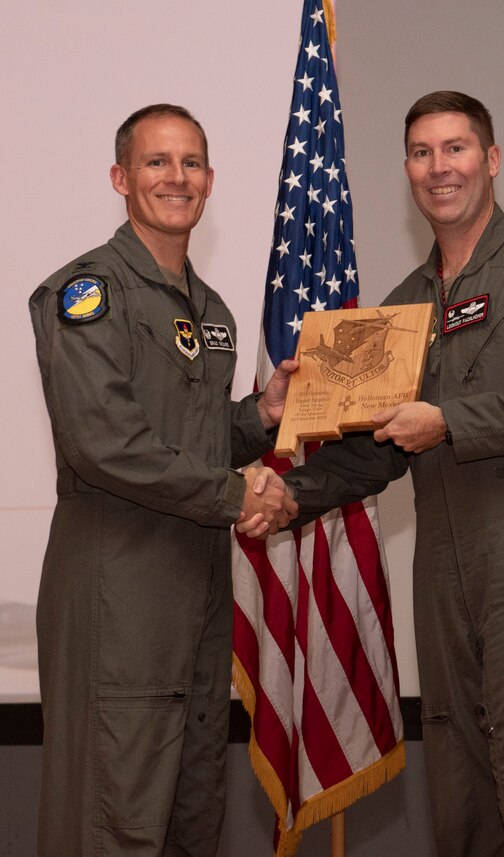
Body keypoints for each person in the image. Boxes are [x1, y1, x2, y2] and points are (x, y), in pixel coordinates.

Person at [241, 90, 504, 857]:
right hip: (448, 574)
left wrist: (449, 419)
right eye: (422, 153)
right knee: (465, 793)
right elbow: (376, 448)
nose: (439, 167)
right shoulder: (403, 310)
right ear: (408, 170)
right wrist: (290, 495)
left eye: (456, 148)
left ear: (492, 159)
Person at [28, 103, 296, 857]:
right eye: (156, 161)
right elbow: (104, 443)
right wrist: (236, 494)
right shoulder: (88, 293)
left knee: (190, 814)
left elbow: (191, 437)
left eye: (191, 163)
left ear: (210, 180)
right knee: (111, 817)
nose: (176, 177)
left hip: (196, 588)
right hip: (119, 593)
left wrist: (261, 416)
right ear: (121, 178)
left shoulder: (213, 313)